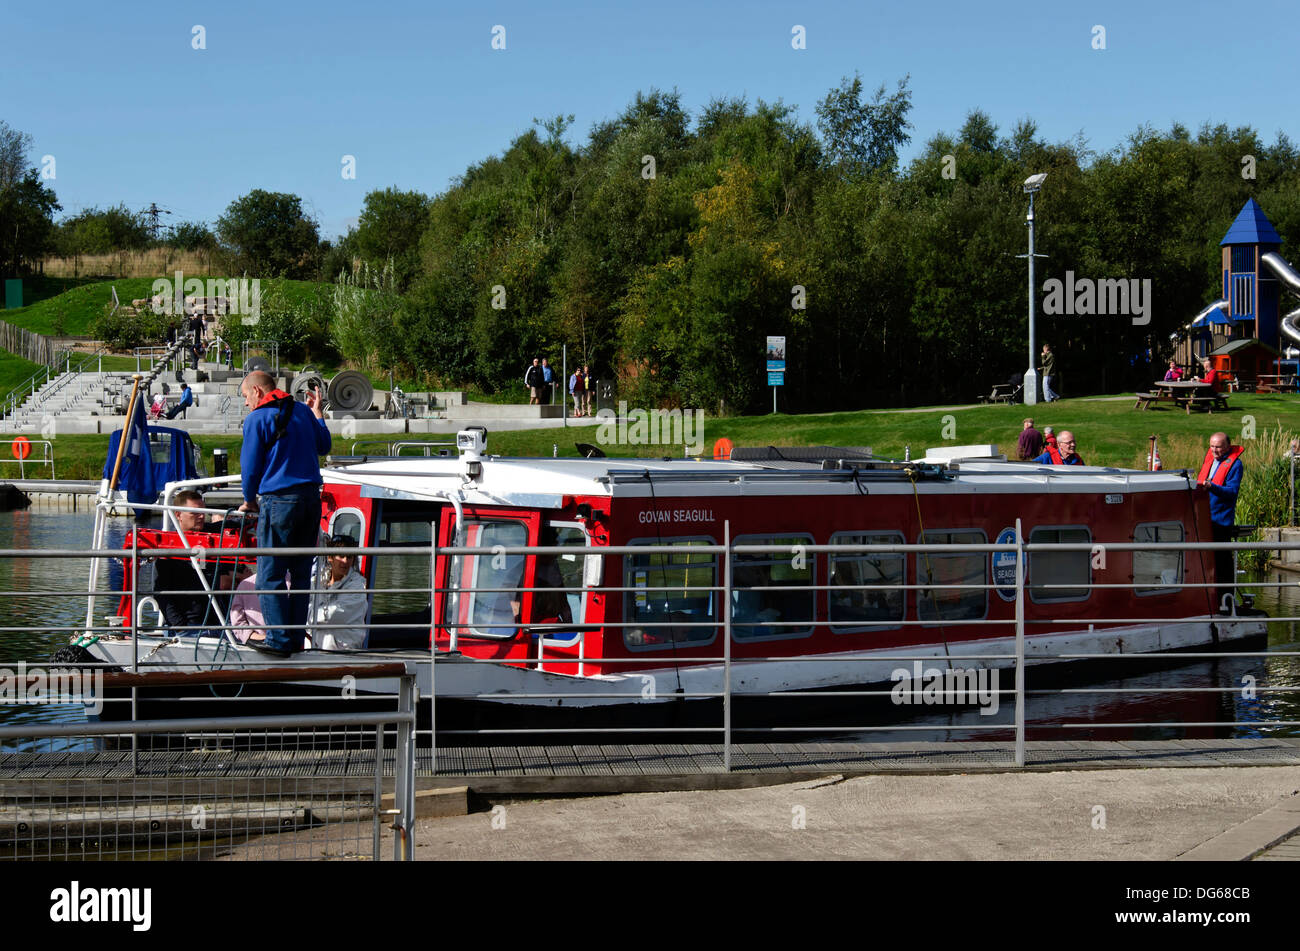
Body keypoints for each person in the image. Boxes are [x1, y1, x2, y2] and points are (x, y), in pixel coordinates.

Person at [238, 370, 332, 657]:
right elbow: (324, 446)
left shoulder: (258, 418)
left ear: (257, 391)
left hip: (279, 502)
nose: (245, 404)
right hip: (310, 501)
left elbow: (250, 466)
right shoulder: (302, 412)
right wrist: (318, 414)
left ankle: (278, 641)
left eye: (245, 397)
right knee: (301, 573)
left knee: (271, 574)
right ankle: (293, 638)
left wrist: (249, 499)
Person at [153, 490, 226, 636]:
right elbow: (160, 593)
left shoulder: (207, 534)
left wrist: (248, 517)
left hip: (217, 623)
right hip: (189, 626)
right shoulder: (169, 549)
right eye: (194, 512)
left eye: (203, 512)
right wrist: (180, 627)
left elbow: (228, 526)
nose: (201, 516)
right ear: (178, 515)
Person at [1198, 432, 1244, 610]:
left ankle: (1226, 600)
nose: (1214, 450)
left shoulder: (1235, 465)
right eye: (1211, 446)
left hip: (1221, 521)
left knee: (1222, 561)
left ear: (1227, 447)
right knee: (1206, 560)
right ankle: (1209, 597)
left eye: (1218, 447)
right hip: (1205, 518)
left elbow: (1232, 492)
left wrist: (1213, 487)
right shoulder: (1210, 460)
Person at [309, 534, 370, 650]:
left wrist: (308, 616)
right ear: (330, 557)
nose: (345, 561)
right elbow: (304, 602)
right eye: (341, 556)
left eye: (349, 557)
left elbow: (333, 615)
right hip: (314, 649)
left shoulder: (358, 585)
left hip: (342, 652)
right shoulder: (318, 579)